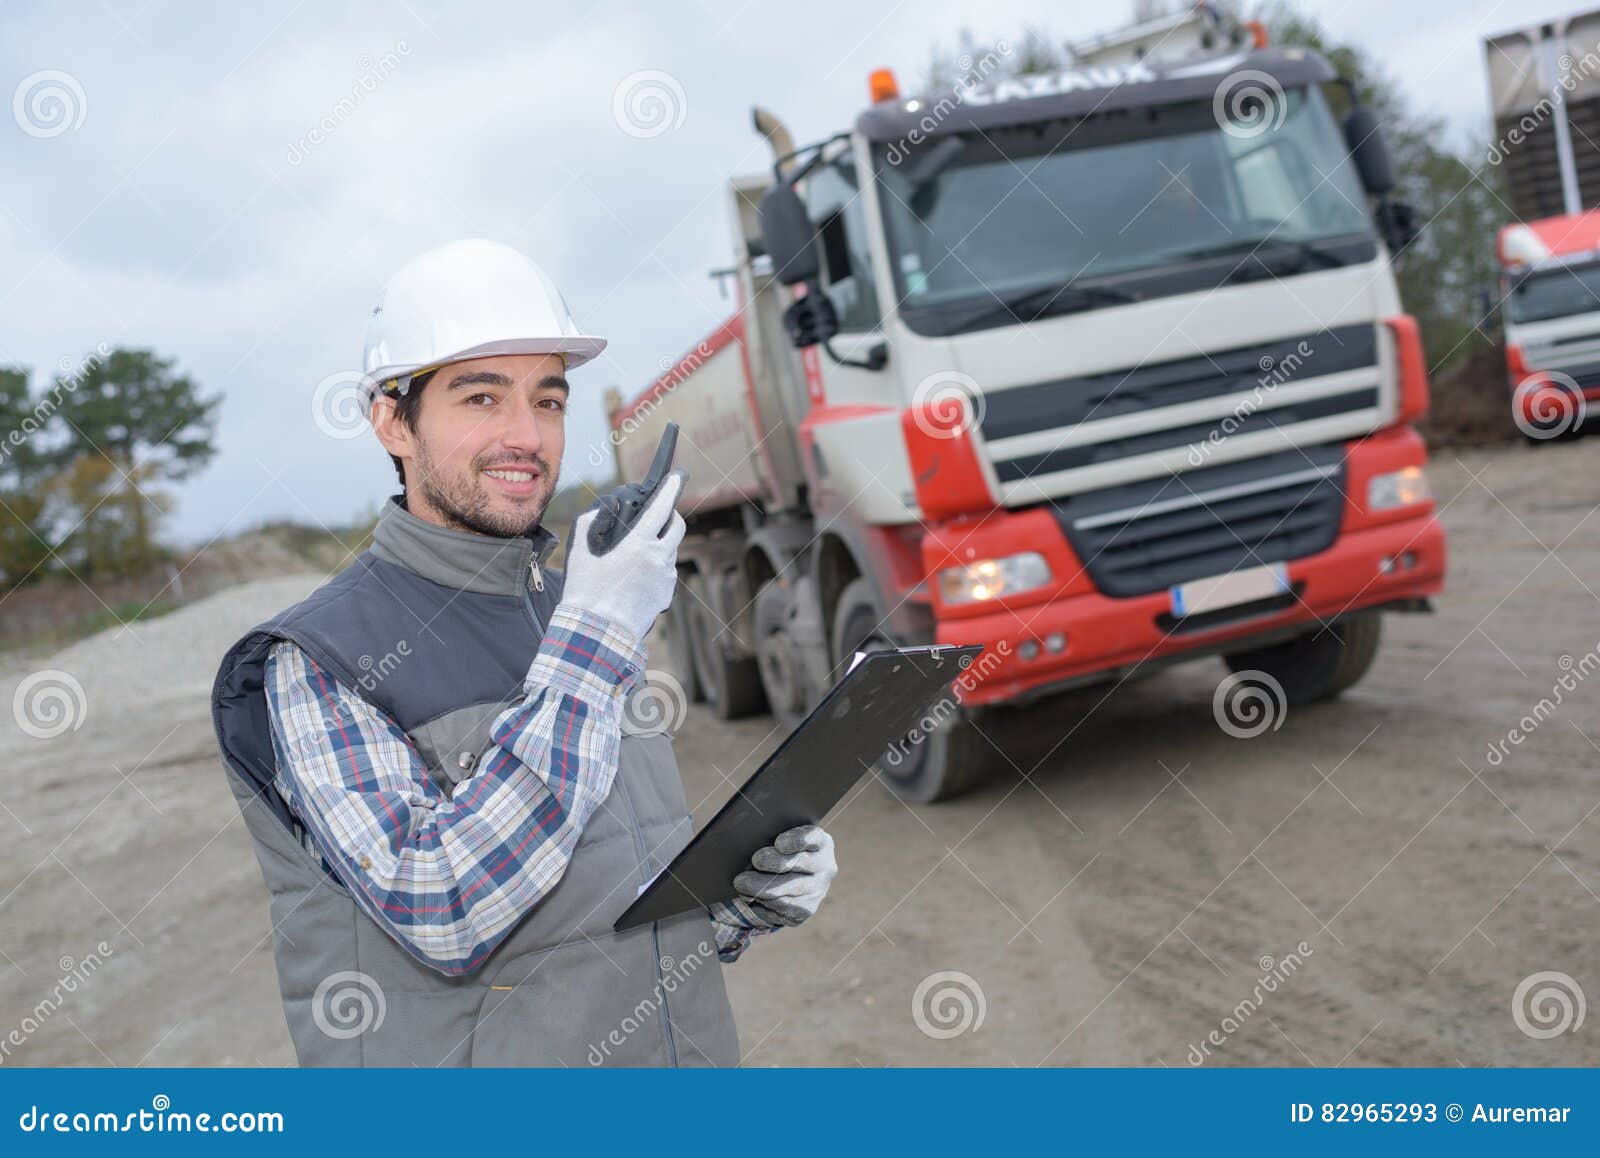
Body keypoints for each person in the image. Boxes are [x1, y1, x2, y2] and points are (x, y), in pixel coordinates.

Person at [212, 239, 838, 1066]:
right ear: (392, 422)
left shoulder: (571, 609)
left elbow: (596, 903)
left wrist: (733, 904)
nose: (526, 435)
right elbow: (445, 905)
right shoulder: (319, 657)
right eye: (481, 398)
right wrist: (598, 637)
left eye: (548, 401)